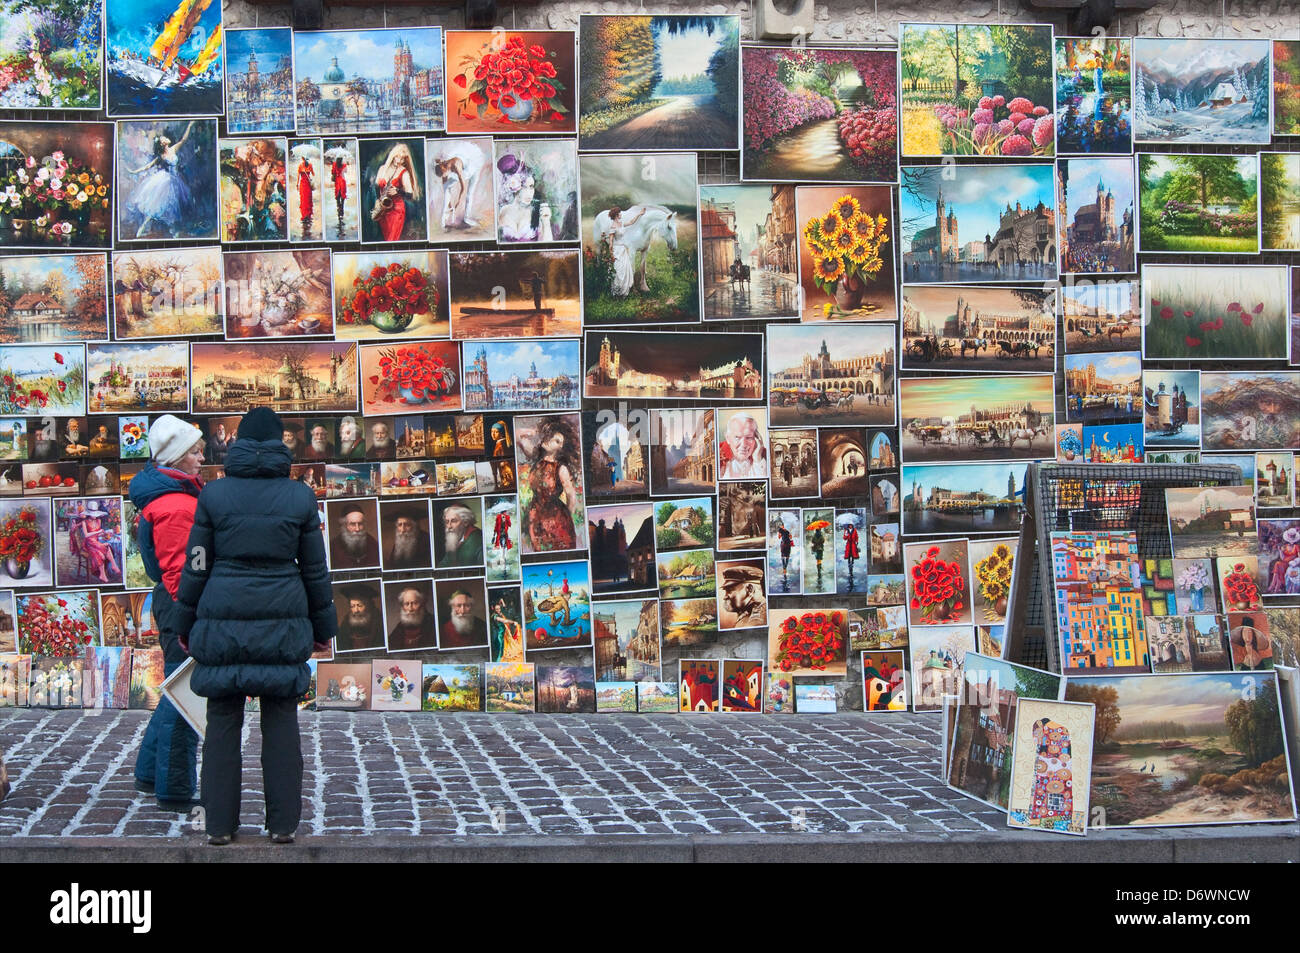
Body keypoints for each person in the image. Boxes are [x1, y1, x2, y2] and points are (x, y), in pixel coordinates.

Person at [173, 407, 335, 845]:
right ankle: (282, 824)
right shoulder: (300, 497)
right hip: (282, 619)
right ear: (281, 443)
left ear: (239, 443)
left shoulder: (214, 496)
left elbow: (197, 564)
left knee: (222, 722)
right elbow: (315, 572)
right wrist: (324, 628)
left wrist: (185, 623)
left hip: (221, 618)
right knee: (280, 721)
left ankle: (220, 827)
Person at [130, 414, 205, 814]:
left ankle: (147, 772)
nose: (200, 458)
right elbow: (180, 573)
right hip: (181, 605)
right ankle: (174, 786)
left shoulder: (171, 496)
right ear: (175, 457)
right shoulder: (176, 506)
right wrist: (193, 617)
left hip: (173, 602)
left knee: (177, 688)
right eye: (194, 452)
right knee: (187, 694)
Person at [125, 120, 196, 239]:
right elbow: (147, 166)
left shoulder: (173, 149)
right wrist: (133, 171)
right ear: (163, 144)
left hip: (175, 179)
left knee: (173, 206)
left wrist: (189, 125)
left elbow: (183, 139)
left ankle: (173, 230)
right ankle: (143, 227)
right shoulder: (161, 157)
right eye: (163, 138)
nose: (166, 138)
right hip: (165, 180)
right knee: (157, 206)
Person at [523, 416, 582, 552]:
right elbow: (519, 439)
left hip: (555, 522)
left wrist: (565, 519)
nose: (550, 441)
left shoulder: (560, 468)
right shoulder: (536, 460)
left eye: (557, 441)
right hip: (535, 519)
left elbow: (571, 495)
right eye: (549, 436)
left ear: (560, 448)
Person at [371, 141, 421, 242]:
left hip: (396, 211)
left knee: (391, 240)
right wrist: (378, 201)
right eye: (398, 157)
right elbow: (376, 186)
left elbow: (410, 195)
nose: (399, 161)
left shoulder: (404, 173)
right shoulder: (382, 169)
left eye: (403, 159)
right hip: (383, 210)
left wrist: (398, 191)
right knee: (386, 239)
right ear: (393, 155)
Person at [387, 586, 437, 651]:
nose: (410, 609)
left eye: (415, 603)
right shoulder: (400, 627)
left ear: (422, 604)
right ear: (402, 607)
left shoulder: (434, 624)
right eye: (406, 604)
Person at [330, 503, 380, 568]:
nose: (357, 529)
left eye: (360, 524)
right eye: (352, 524)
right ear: (344, 525)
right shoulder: (334, 546)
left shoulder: (372, 543)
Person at [721, 413, 768, 479]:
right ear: (728, 438)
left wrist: (757, 460)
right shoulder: (718, 456)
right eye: (737, 437)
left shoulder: (765, 455)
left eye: (749, 437)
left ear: (756, 438)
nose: (743, 444)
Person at [439, 503, 483, 567]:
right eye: (447, 522)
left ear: (466, 522)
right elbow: (443, 565)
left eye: (453, 521)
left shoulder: (478, 541)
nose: (449, 526)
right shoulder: (454, 541)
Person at [296, 154, 314, 231]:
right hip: (305, 184)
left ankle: (306, 215)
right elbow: (312, 174)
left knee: (306, 199)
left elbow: (299, 177)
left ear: (302, 158)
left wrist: (297, 184)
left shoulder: (304, 165)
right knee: (306, 199)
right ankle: (307, 215)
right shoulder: (306, 165)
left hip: (305, 184)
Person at [330, 153, 348, 231]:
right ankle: (342, 210)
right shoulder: (344, 165)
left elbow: (333, 173)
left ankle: (339, 209)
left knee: (338, 197)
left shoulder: (334, 164)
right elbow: (346, 172)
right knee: (343, 197)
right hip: (342, 181)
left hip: (337, 182)